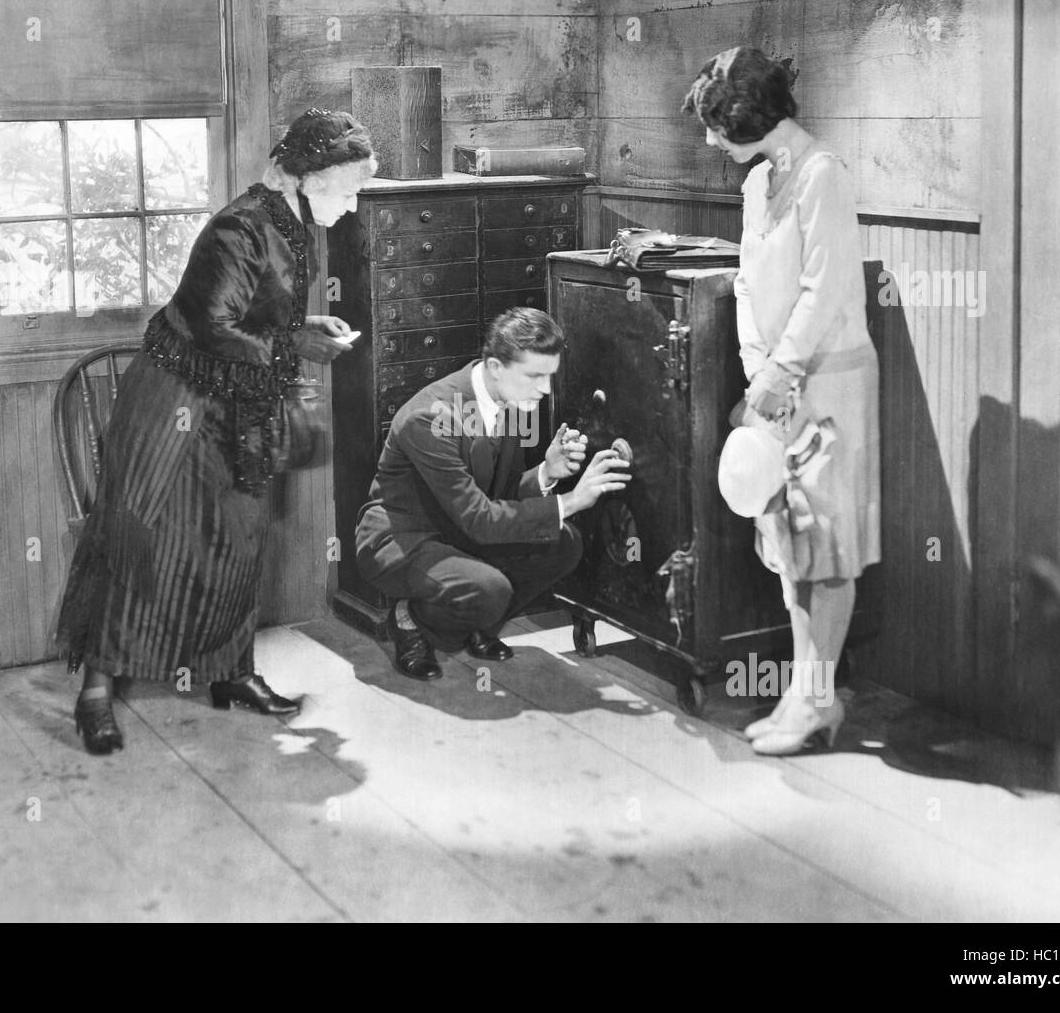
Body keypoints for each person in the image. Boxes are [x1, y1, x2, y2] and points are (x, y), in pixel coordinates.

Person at [54, 108, 377, 754]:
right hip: (179, 401)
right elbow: (213, 327)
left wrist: (304, 335)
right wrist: (299, 346)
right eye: (346, 188)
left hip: (237, 401)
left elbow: (264, 321)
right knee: (142, 536)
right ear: (306, 176)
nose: (352, 202)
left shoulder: (292, 221)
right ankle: (96, 689)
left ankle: (232, 672)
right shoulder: (239, 228)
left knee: (240, 536)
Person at [682, 47, 880, 755]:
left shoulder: (823, 175)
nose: (709, 140)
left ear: (745, 117)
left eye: (714, 126)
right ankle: (804, 696)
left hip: (828, 386)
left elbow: (823, 292)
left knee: (826, 550)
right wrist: (756, 372)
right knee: (790, 546)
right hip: (775, 384)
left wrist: (782, 373)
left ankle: (818, 700)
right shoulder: (759, 181)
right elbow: (746, 285)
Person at [355, 308, 633, 680]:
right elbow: (480, 518)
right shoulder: (431, 417)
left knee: (564, 543)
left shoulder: (508, 401)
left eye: (550, 376)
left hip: (458, 530)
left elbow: (495, 496)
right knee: (489, 590)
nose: (546, 390)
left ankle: (479, 626)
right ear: (496, 367)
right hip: (404, 541)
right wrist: (570, 501)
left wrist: (547, 472)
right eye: (534, 376)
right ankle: (411, 620)